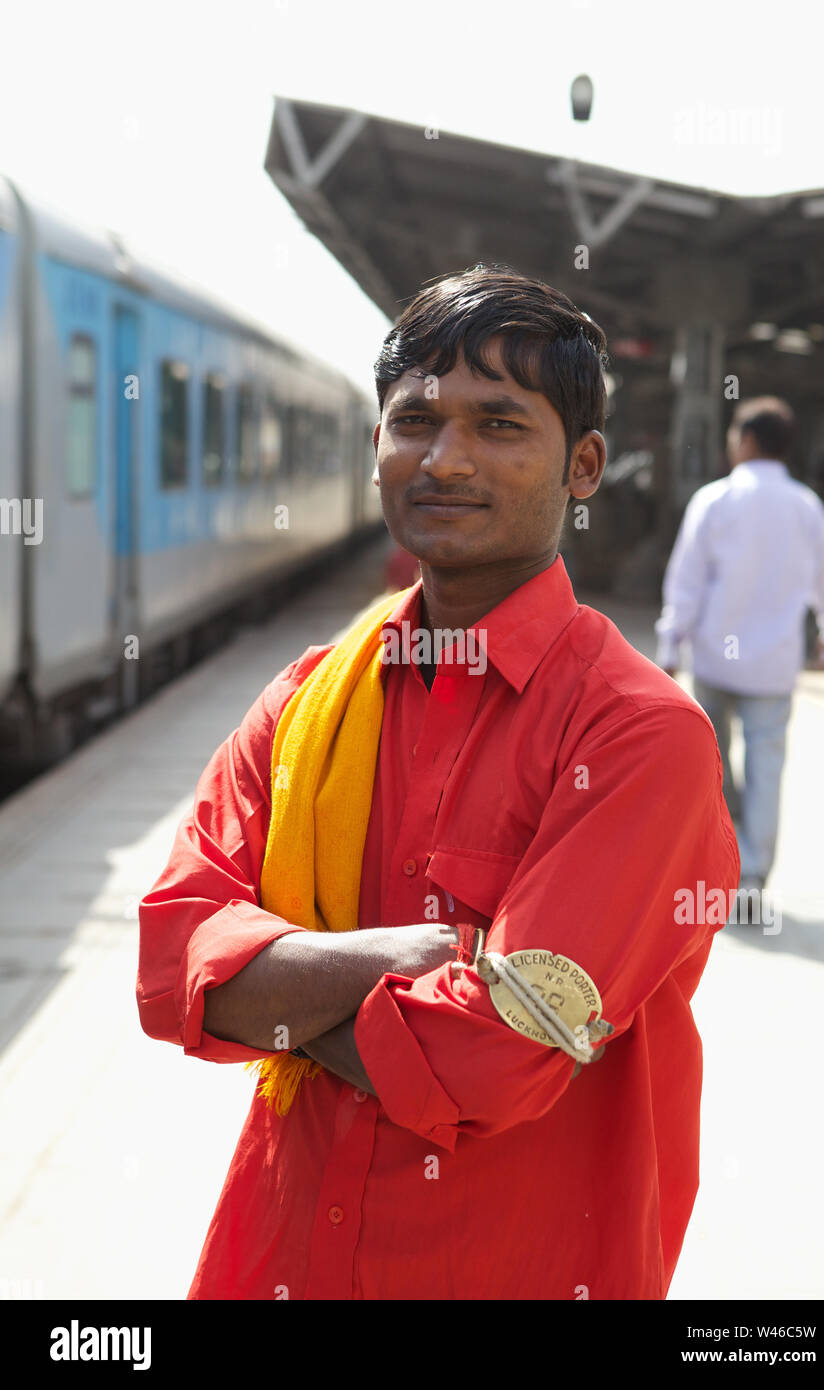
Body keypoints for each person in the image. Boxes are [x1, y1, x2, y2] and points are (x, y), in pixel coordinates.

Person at [137, 263, 739, 1301]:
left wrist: (271, 987)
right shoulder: (306, 701)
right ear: (376, 444)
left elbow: (489, 1062)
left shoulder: (639, 738)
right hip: (280, 1260)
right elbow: (166, 965)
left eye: (500, 426)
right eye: (414, 419)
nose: (445, 460)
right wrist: (394, 960)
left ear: (582, 464)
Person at [655, 395, 824, 896]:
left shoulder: (715, 500)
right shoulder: (806, 505)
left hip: (715, 660)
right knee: (767, 766)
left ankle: (718, 861)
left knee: (710, 765)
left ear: (745, 441)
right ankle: (755, 872)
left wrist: (670, 645)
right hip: (774, 666)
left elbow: (687, 580)